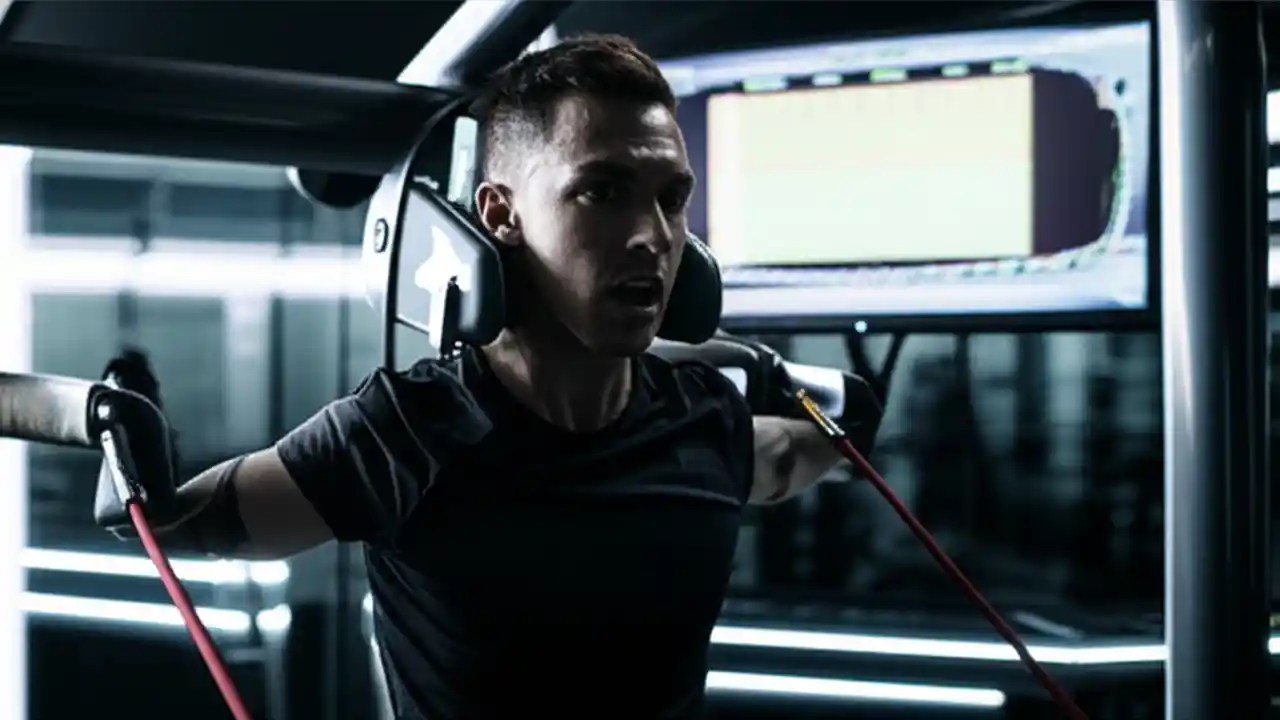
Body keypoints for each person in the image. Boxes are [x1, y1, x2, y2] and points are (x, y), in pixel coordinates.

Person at [99, 35, 880, 720]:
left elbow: (803, 452)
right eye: (602, 191)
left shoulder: (709, 421)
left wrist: (823, 397)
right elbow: (167, 527)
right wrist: (127, 442)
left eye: (671, 198)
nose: (652, 237)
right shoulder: (406, 433)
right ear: (501, 214)